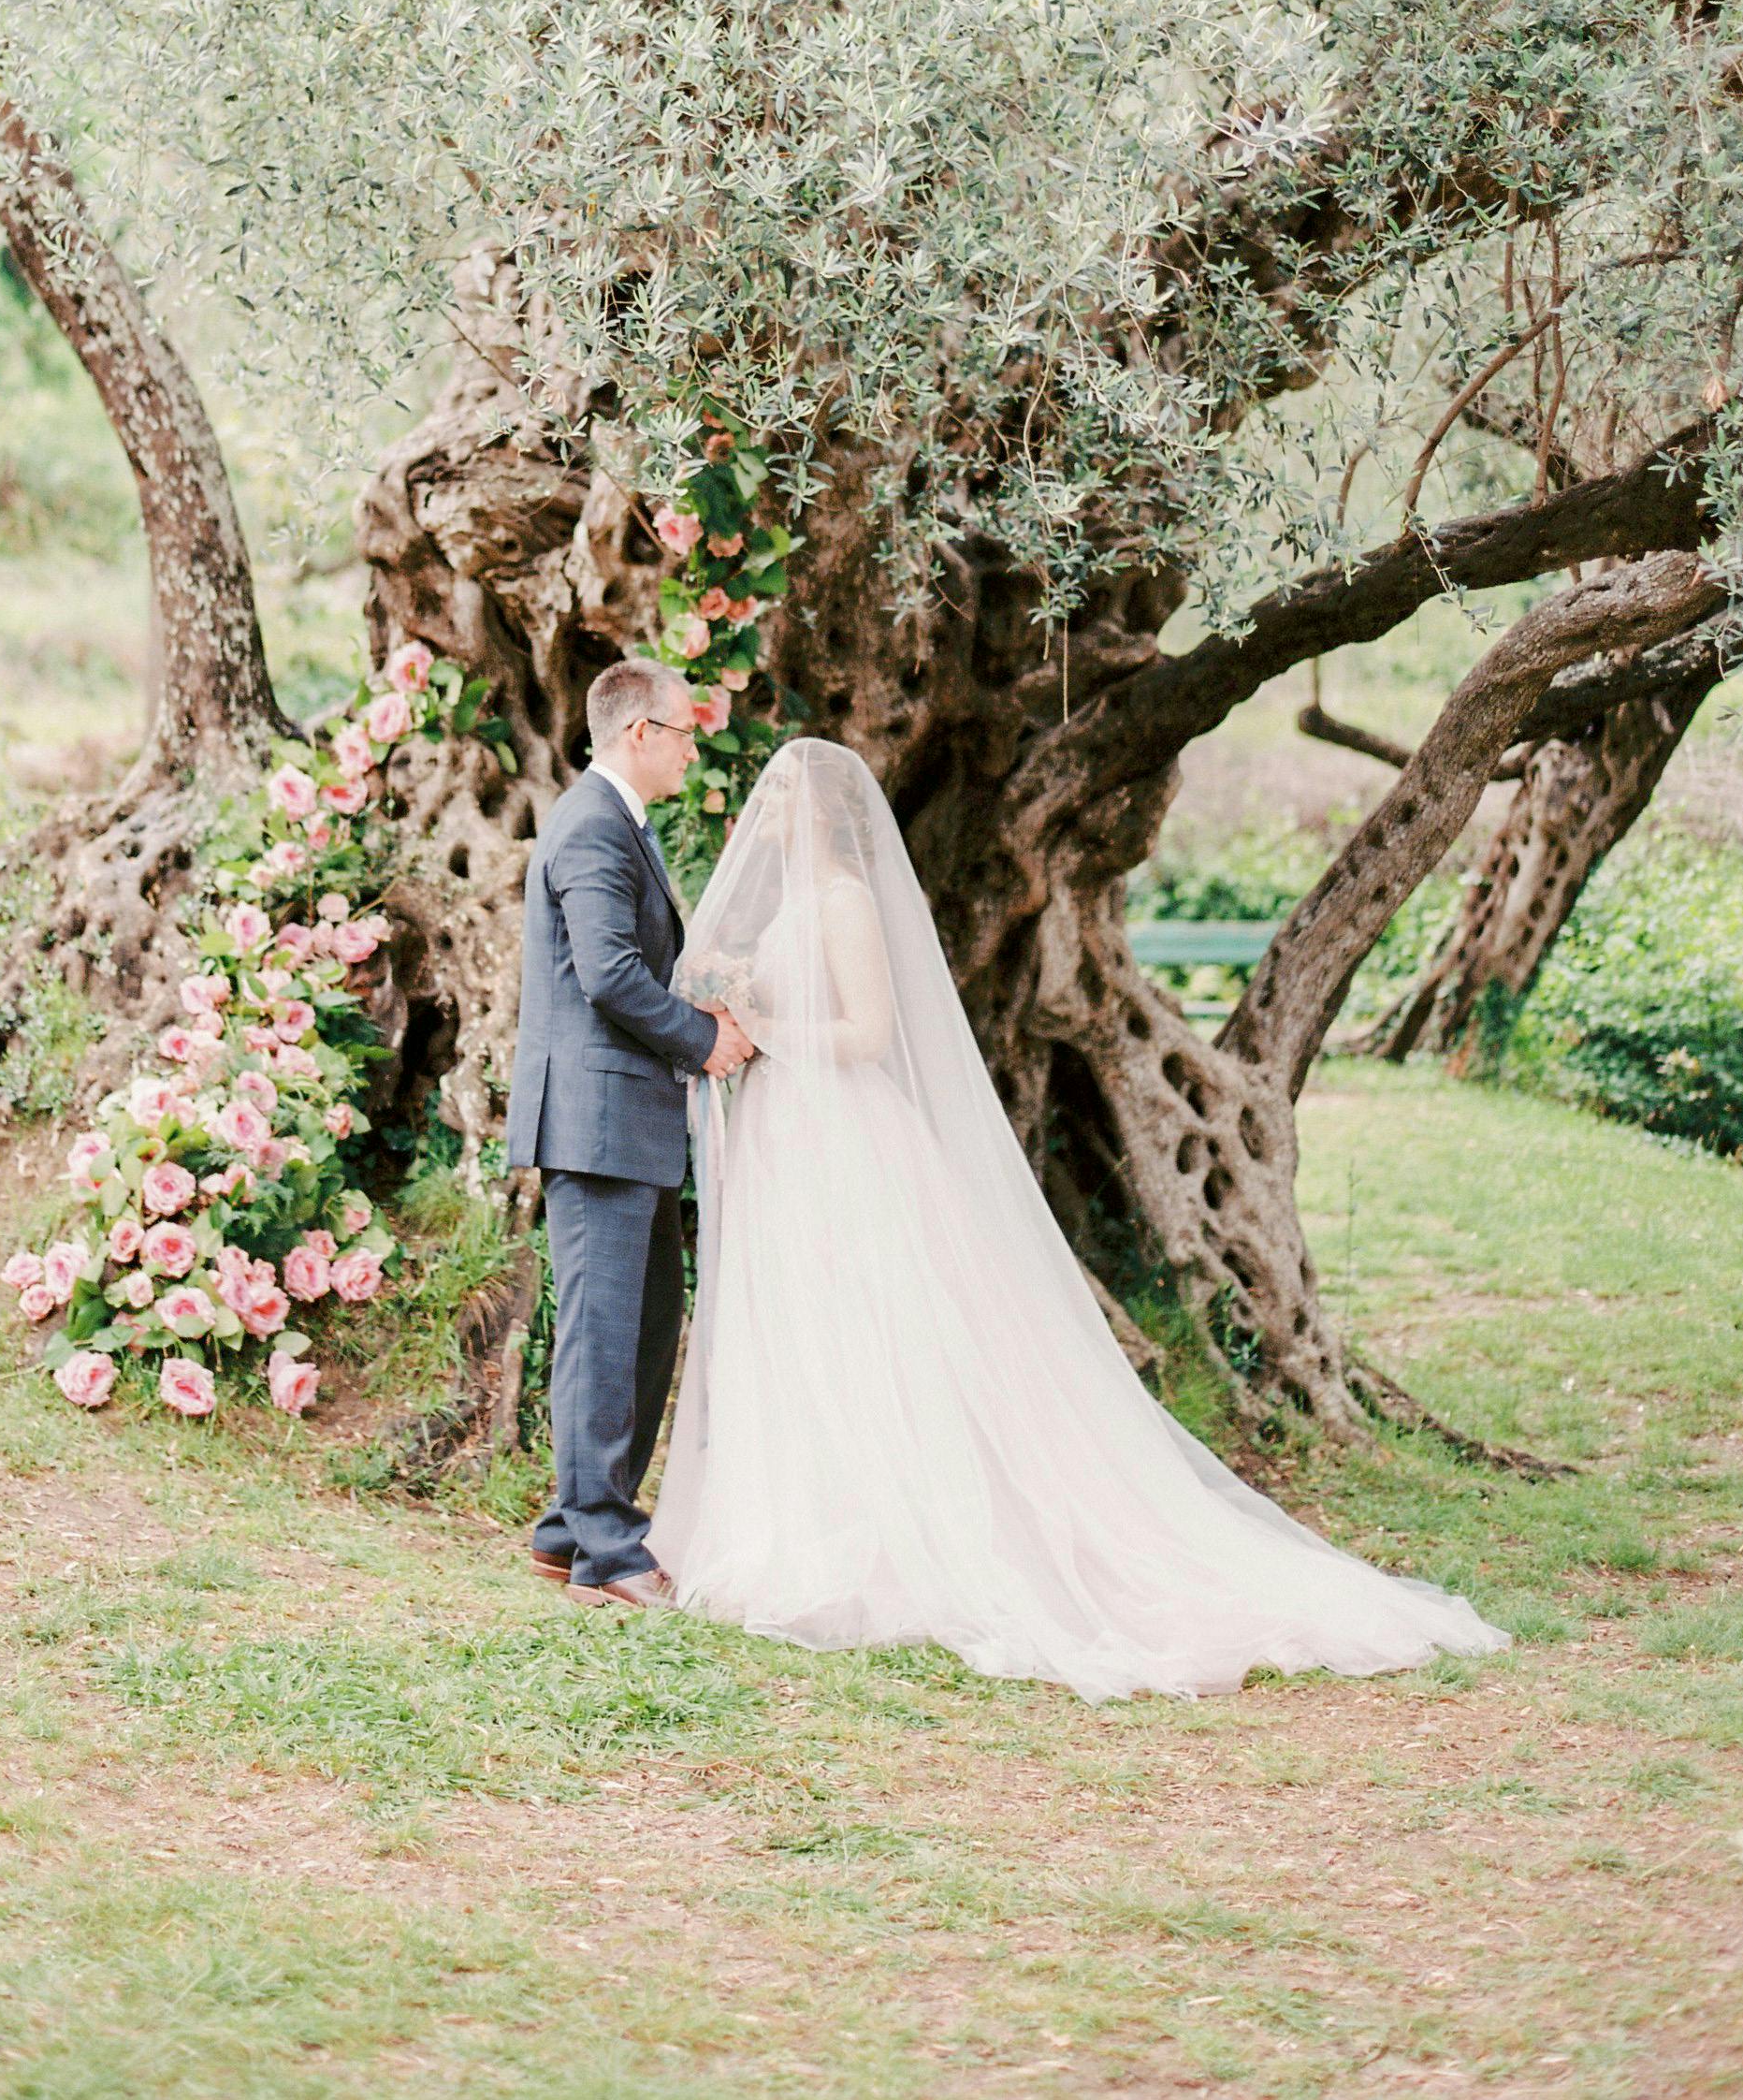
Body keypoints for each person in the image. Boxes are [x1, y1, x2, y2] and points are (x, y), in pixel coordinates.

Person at [646, 737, 1509, 1699]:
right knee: (807, 1326)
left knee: (880, 1323)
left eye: (778, 797)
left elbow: (868, 1033)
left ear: (814, 811)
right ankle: (809, 1522)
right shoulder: (788, 909)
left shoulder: (845, 900)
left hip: (843, 1133)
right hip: (787, 1135)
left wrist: (768, 1027)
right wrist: (742, 1001)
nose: (762, 813)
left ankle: (899, 1533)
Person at [506, 658, 754, 1608]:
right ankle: (608, 1551)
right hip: (598, 1121)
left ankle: (568, 1530)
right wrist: (705, 1039)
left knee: (644, 1328)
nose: (695, 749)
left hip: (629, 1122)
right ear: (639, 733)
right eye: (685, 732)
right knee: (606, 1335)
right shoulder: (592, 826)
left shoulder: (617, 825)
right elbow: (609, 974)